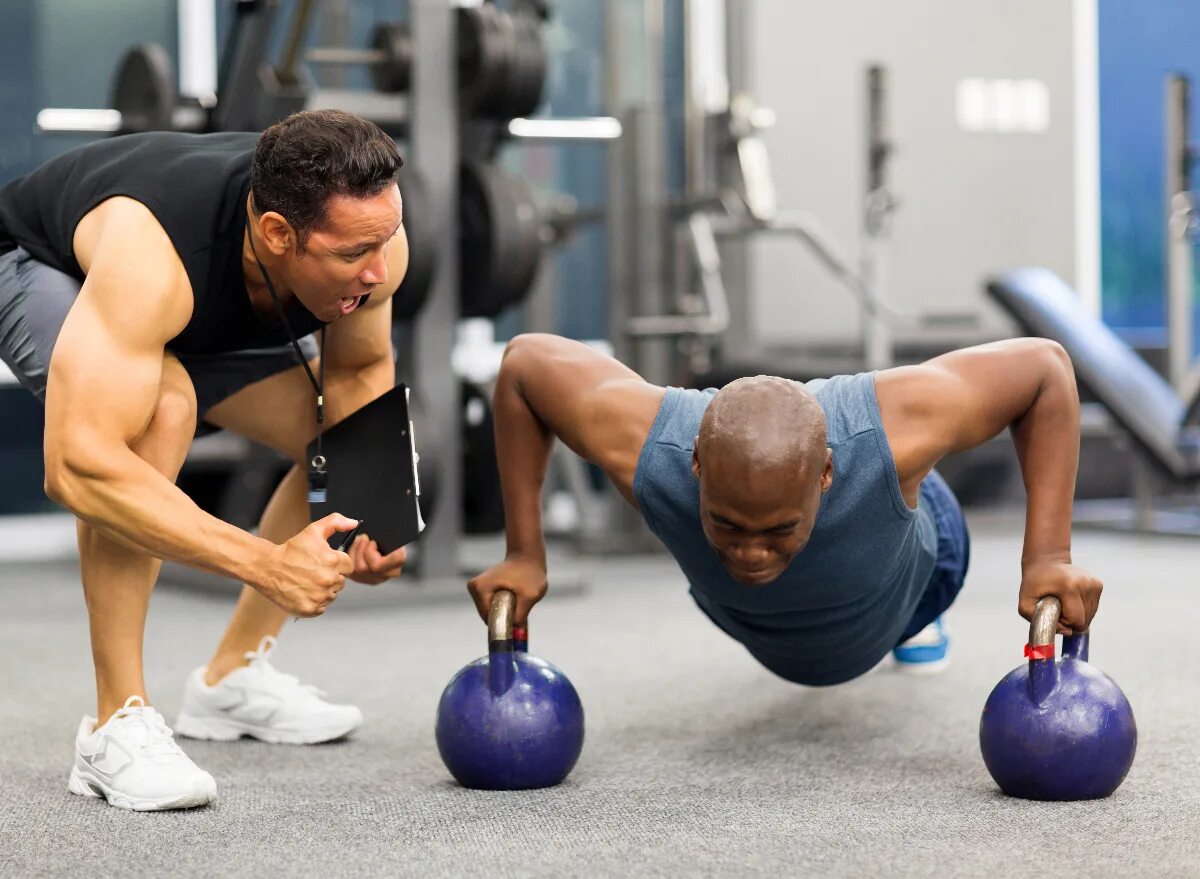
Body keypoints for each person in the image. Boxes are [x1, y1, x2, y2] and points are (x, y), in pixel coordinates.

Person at [0, 110, 410, 811]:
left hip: (196, 308)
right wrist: (266, 563)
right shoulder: (148, 251)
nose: (379, 270)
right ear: (278, 235)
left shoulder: (373, 244)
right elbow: (79, 465)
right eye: (352, 257)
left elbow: (360, 377)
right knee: (160, 412)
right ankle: (113, 723)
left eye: (387, 239)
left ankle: (229, 682)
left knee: (328, 442)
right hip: (41, 266)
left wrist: (378, 506)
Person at [468, 333, 1103, 688]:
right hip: (755, 623)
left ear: (826, 474)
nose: (749, 553)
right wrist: (525, 553)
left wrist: (1048, 557)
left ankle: (915, 621)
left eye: (777, 532)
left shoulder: (887, 435)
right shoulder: (648, 450)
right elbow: (524, 365)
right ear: (695, 466)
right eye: (727, 525)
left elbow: (1045, 369)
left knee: (912, 498)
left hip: (911, 581)